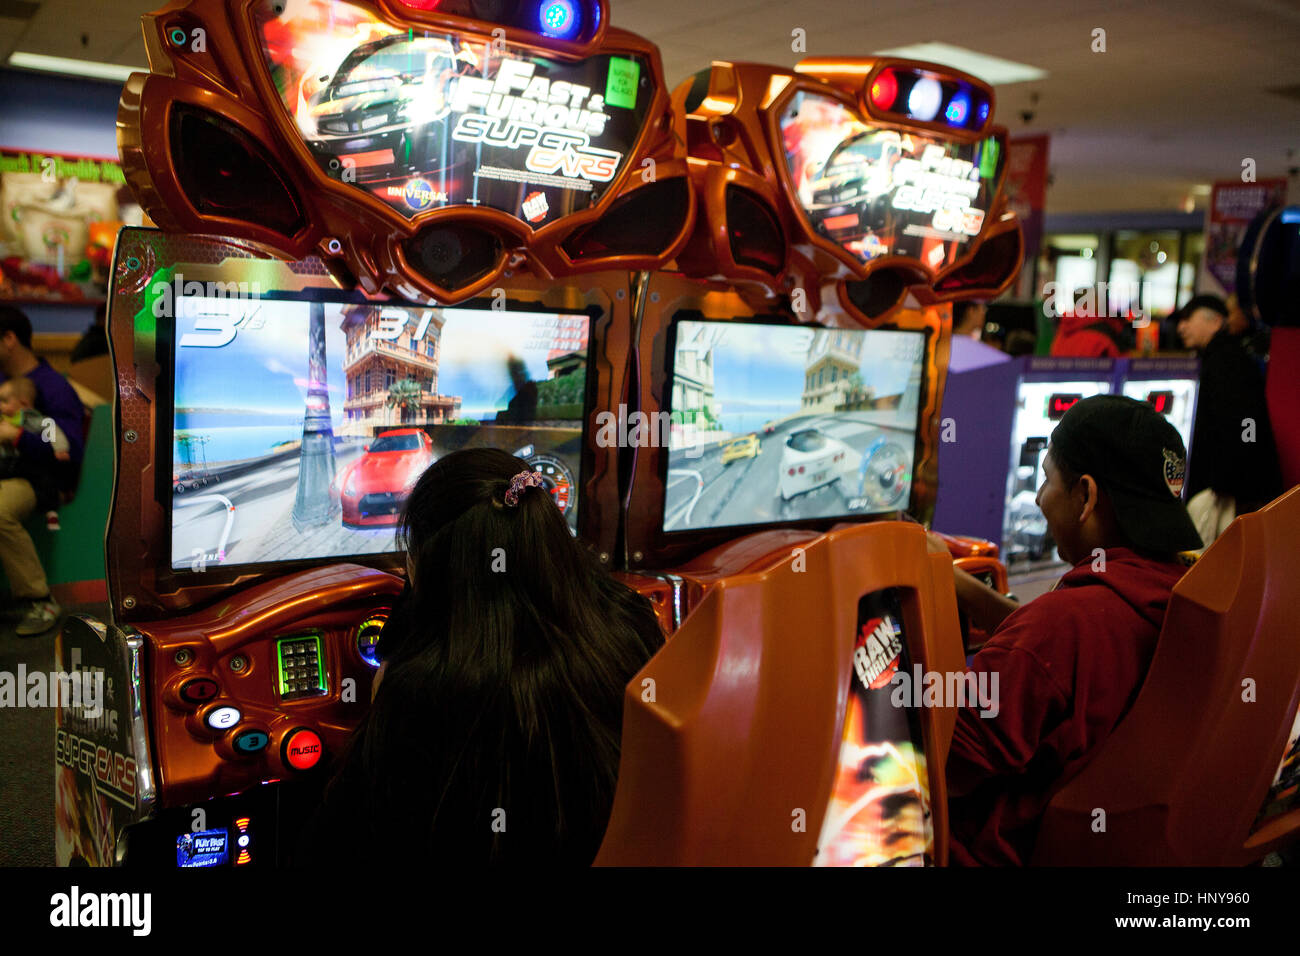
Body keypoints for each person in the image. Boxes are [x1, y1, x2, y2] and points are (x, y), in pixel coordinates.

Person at [303, 448, 665, 866]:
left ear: (424, 564)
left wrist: (387, 691)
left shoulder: (422, 691)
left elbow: (332, 845)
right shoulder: (630, 619)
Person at [935, 395, 1202, 866]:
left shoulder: (1062, 627)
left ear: (1086, 496)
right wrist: (962, 588)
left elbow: (942, 767)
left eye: (1046, 480)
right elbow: (1059, 651)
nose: (1038, 498)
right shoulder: (1178, 589)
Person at [0, 306, 85, 635]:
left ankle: (41, 599)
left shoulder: (52, 388)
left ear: (9, 339)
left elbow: (69, 450)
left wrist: (19, 436)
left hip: (39, 478)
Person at [1176, 293, 1282, 539]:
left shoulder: (1227, 359)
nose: (1181, 327)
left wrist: (1229, 479)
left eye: (1188, 318)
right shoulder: (1221, 356)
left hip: (1234, 491)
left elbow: (1248, 420)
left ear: (1215, 322)